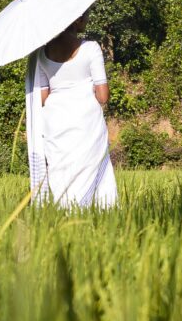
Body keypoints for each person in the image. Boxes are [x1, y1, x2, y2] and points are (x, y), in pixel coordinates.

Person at [26, 16, 117, 210]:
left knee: (61, 168)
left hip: (55, 121)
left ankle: (67, 211)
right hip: (86, 120)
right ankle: (99, 212)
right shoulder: (91, 48)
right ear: (76, 20)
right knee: (91, 166)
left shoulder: (41, 54)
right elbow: (103, 97)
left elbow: (42, 98)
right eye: (85, 15)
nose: (87, 18)